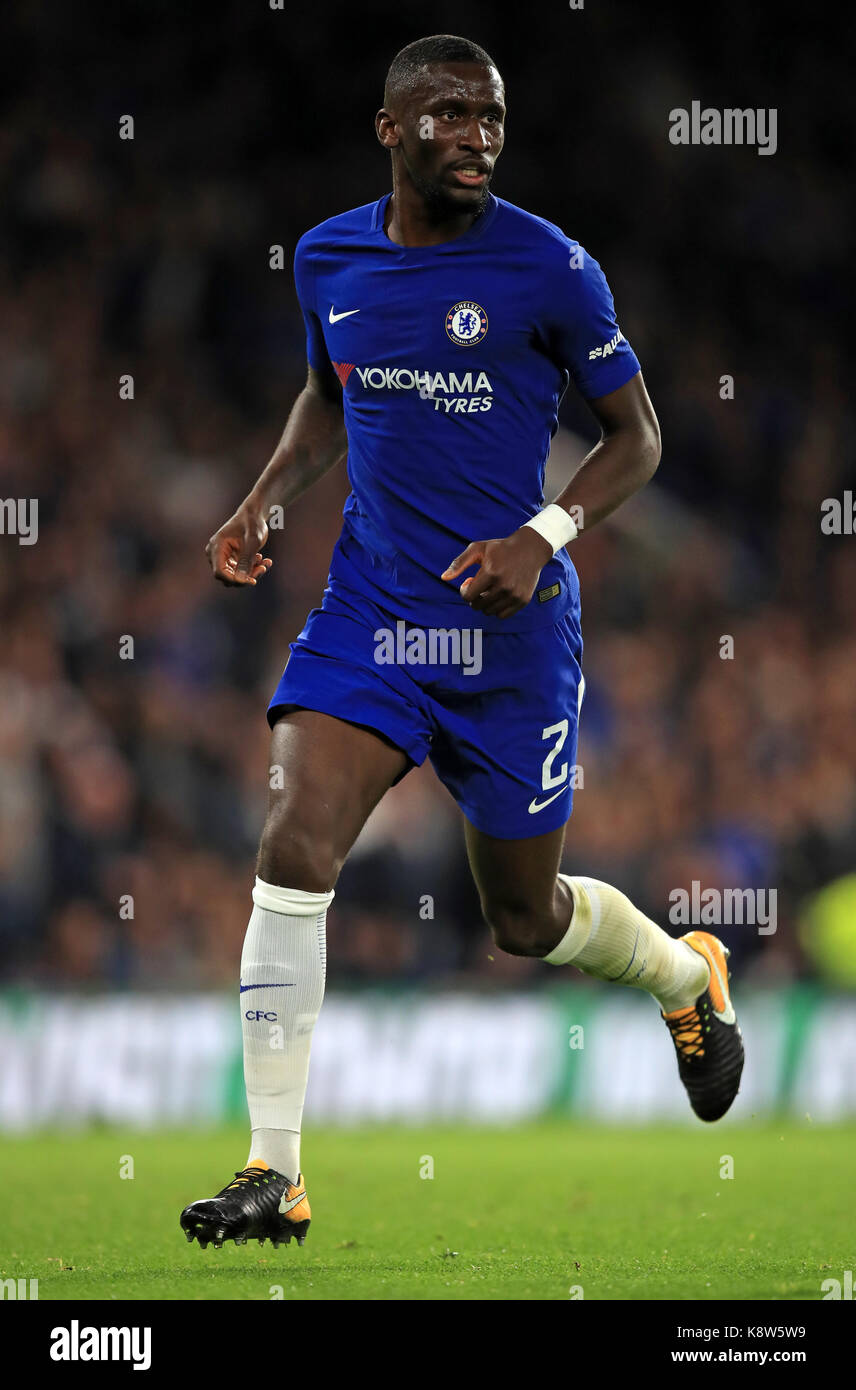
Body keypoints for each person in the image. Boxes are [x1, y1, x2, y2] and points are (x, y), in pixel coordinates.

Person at [180, 33, 743, 1252]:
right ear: (389, 128)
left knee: (522, 922)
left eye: (490, 117)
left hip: (509, 636)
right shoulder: (328, 257)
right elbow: (331, 393)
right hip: (372, 614)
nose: (477, 135)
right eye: (449, 115)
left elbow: (636, 437)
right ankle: (274, 1168)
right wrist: (262, 499)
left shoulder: (549, 267)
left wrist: (543, 533)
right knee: (292, 842)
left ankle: (687, 980)